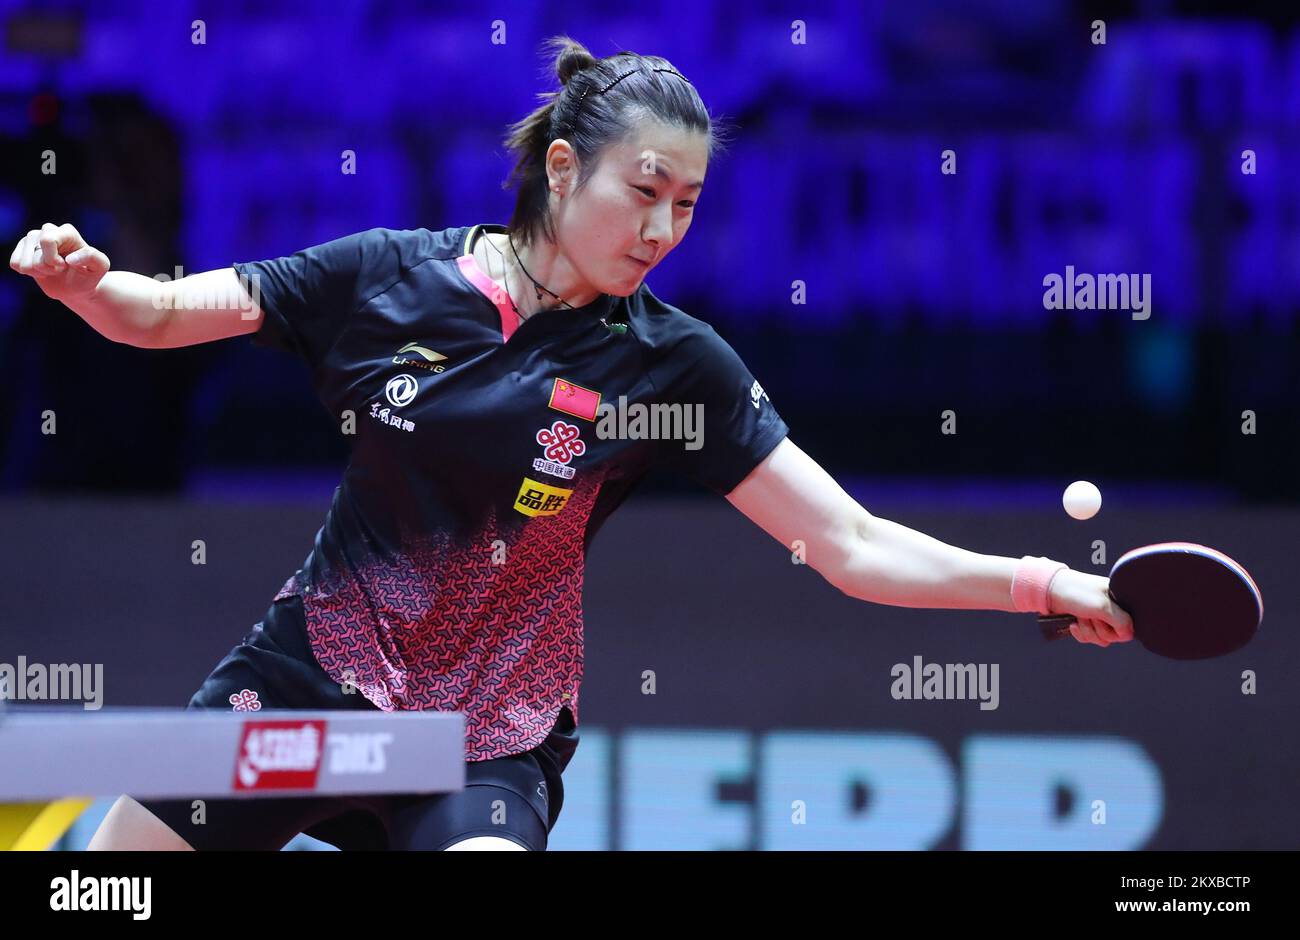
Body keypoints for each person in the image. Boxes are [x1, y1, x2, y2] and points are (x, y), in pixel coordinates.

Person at [9, 36, 1132, 852]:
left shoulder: (671, 363)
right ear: (561, 169)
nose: (662, 229)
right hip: (309, 676)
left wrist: (1044, 585)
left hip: (484, 731)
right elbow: (163, 314)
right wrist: (90, 285)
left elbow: (850, 543)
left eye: (686, 204)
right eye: (644, 190)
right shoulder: (389, 277)